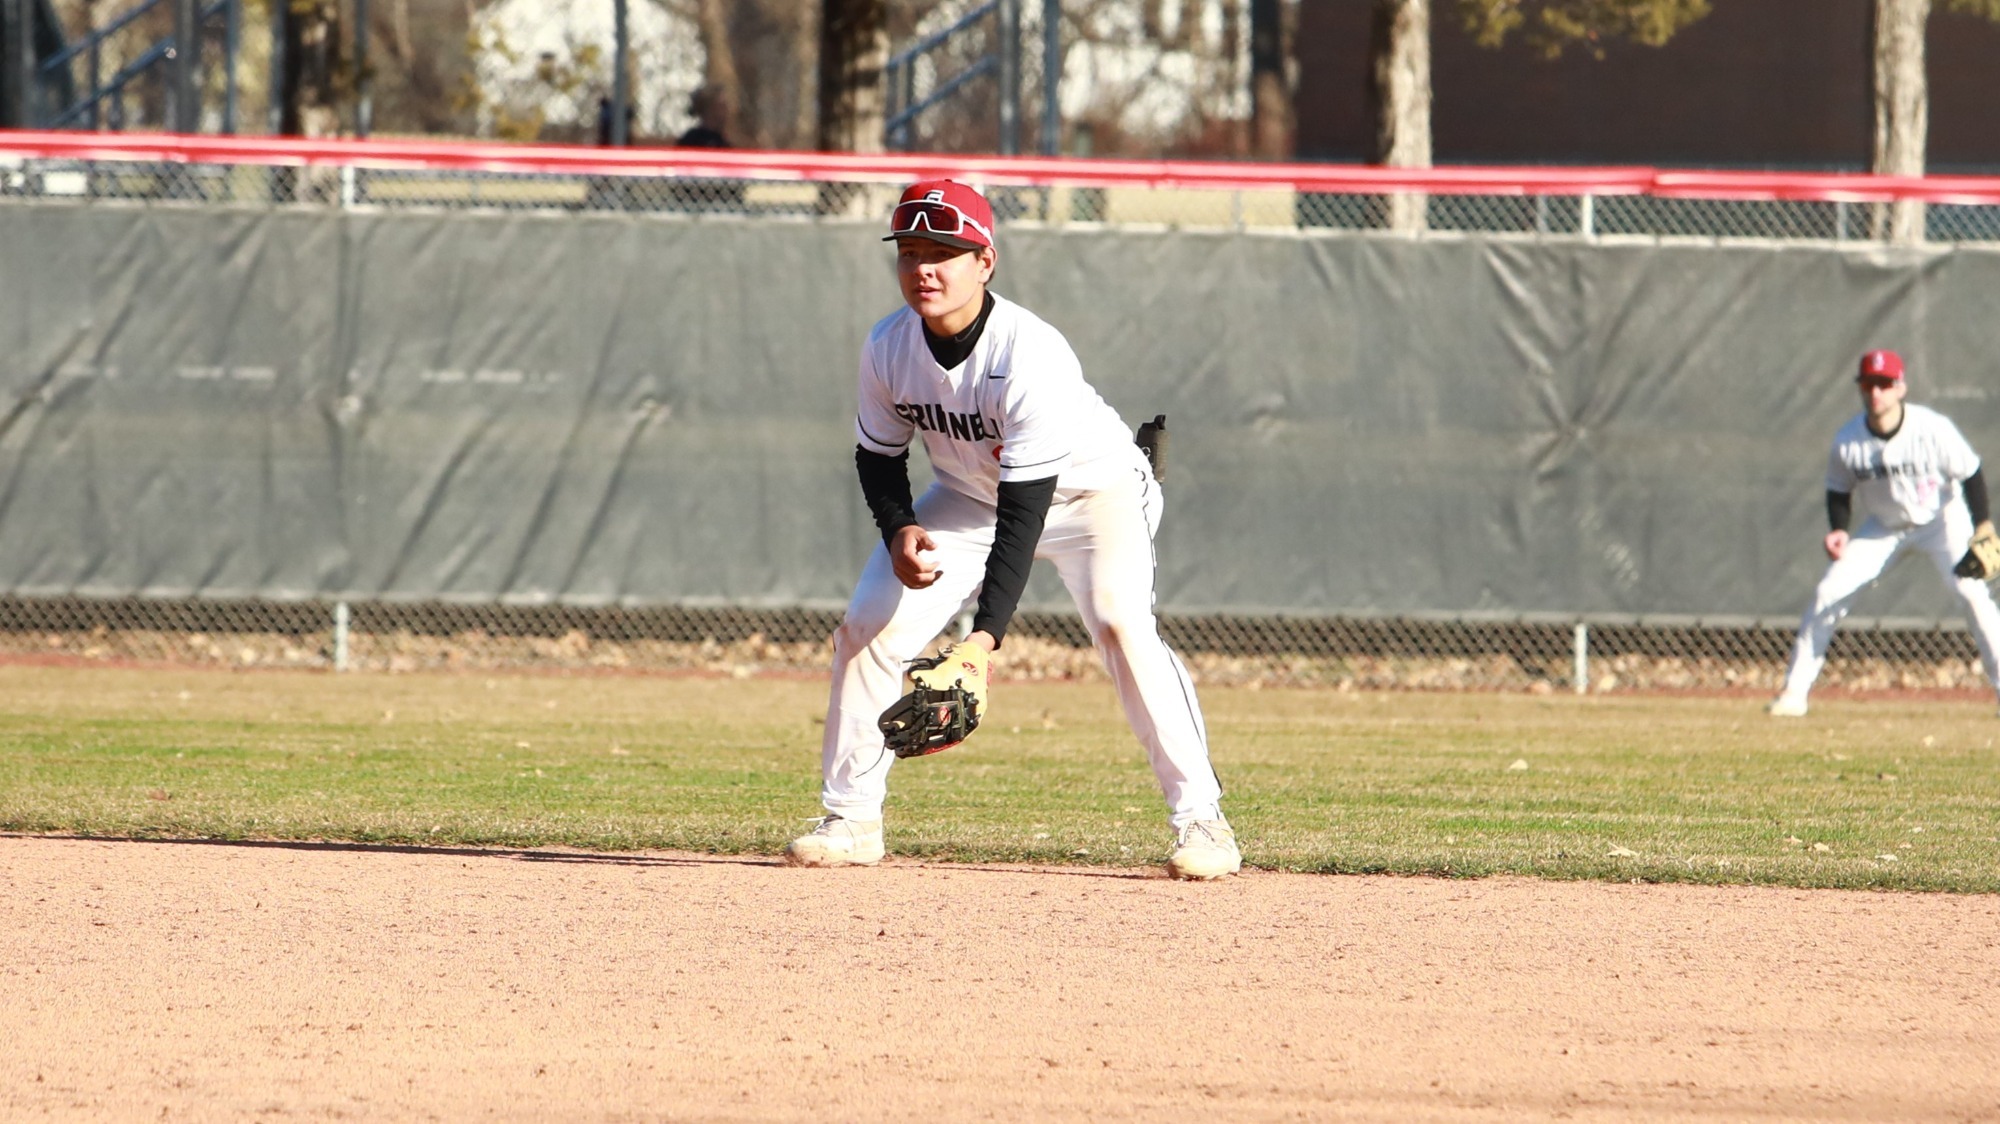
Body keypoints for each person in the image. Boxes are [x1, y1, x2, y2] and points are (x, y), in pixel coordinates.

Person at [784, 179, 1239, 879]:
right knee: (868, 625)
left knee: (1120, 624)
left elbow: (1024, 520)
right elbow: (877, 457)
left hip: (1094, 495)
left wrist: (981, 642)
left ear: (984, 262)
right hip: (968, 497)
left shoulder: (1030, 354)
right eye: (909, 251)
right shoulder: (888, 346)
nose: (924, 268)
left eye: (944, 251)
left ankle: (1202, 820)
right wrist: (900, 525)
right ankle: (851, 817)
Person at [1768, 349, 2000, 716]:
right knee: (1828, 593)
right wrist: (1839, 530)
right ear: (1861, 388)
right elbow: (1838, 488)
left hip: (1942, 521)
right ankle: (1794, 694)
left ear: (1900, 387)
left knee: (1973, 596)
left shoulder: (1932, 428)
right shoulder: (1848, 440)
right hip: (1883, 528)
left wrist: (1983, 524)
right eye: (1869, 384)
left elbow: (1970, 472)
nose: (1876, 392)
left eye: (1884, 384)